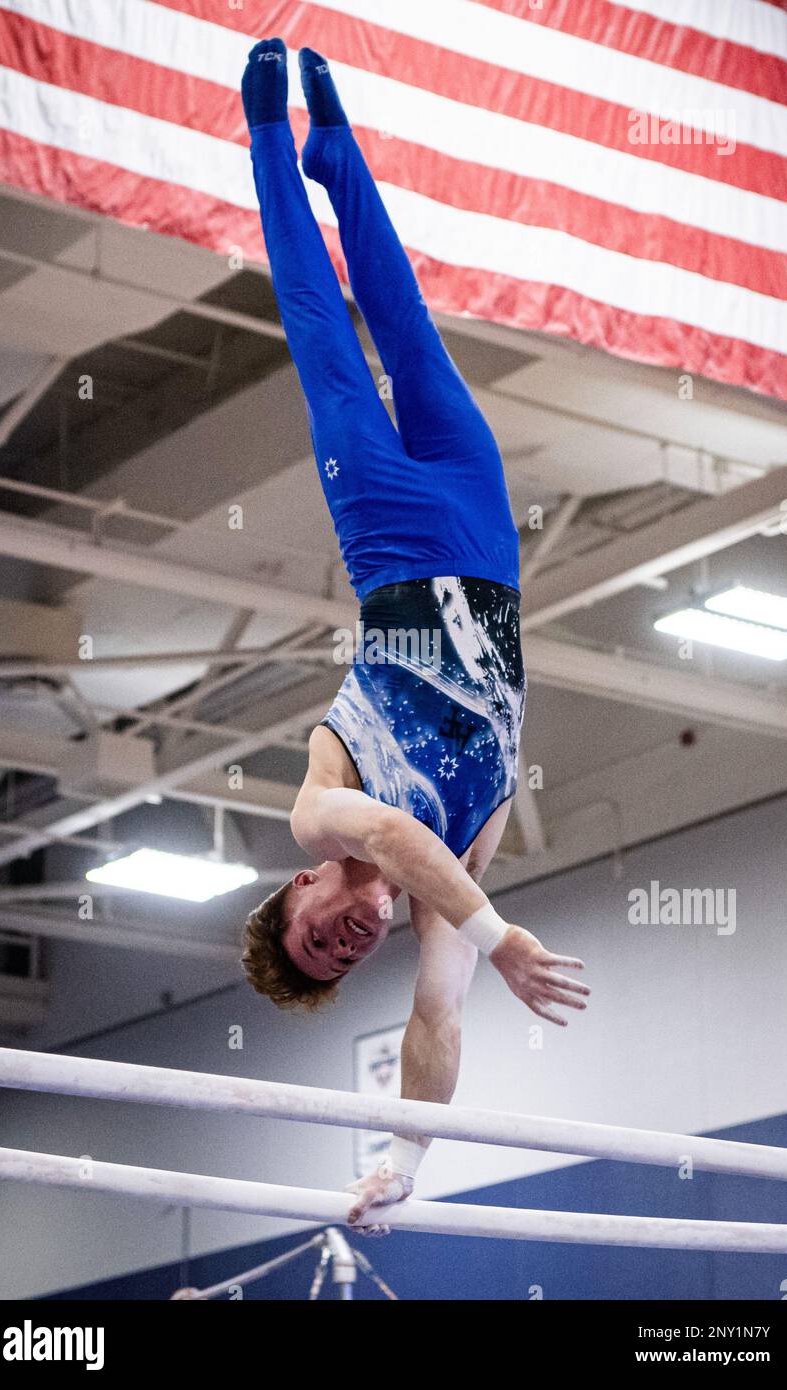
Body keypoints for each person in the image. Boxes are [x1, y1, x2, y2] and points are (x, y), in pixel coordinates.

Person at [239, 39, 589, 1232]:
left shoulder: (318, 811)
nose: (346, 939)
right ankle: (345, 151)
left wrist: (498, 939)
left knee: (329, 334)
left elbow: (391, 827)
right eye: (344, 961)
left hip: (388, 530)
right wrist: (405, 1162)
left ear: (299, 886)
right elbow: (435, 1021)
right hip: (487, 539)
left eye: (317, 935)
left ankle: (283, 151)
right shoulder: (450, 891)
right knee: (411, 318)